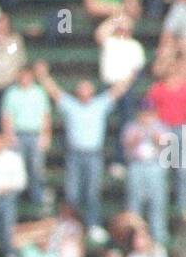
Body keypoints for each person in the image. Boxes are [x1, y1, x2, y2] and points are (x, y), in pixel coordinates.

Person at [35, 61, 133, 232]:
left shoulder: (99, 105)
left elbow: (117, 91)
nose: (84, 92)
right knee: (72, 193)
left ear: (92, 91)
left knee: (92, 193)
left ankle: (92, 225)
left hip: (93, 154)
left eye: (87, 89)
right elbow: (55, 92)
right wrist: (43, 76)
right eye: (81, 89)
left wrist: (131, 73)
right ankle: (70, 225)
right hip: (75, 154)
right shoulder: (71, 105)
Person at [0, 66, 52, 211]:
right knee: (16, 169)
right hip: (18, 134)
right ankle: (14, 201)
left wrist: (46, 135)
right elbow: (6, 116)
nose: (24, 79)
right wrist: (9, 135)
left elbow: (45, 115)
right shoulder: (11, 93)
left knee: (37, 168)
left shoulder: (39, 92)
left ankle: (38, 198)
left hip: (35, 134)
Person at [122, 105, 171, 244]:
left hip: (154, 165)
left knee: (157, 202)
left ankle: (158, 237)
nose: (145, 117)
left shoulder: (161, 127)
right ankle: (133, 237)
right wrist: (137, 137)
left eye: (148, 113)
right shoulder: (131, 127)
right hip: (137, 164)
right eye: (143, 113)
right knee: (134, 202)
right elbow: (126, 145)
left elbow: (169, 149)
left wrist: (156, 137)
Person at [146, 53, 186, 219]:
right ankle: (160, 205)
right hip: (164, 129)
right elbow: (148, 109)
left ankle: (182, 205)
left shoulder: (184, 87)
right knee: (163, 169)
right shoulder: (158, 88)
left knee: (182, 170)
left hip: (180, 128)